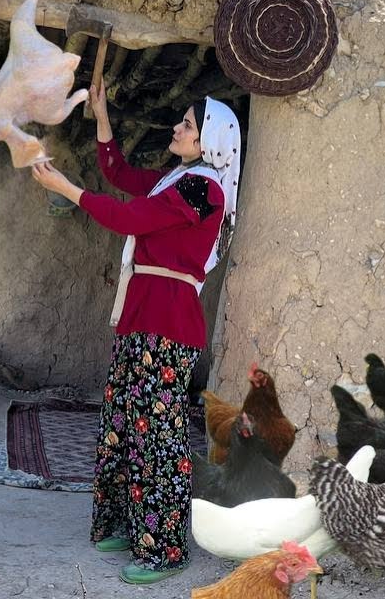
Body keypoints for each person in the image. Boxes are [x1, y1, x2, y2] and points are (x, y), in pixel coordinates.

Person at [31, 84, 241, 584]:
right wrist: (102, 117)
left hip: (168, 323)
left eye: (187, 124)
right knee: (125, 423)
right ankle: (126, 524)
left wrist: (66, 190)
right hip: (143, 316)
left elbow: (129, 218)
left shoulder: (203, 189)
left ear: (209, 140)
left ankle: (166, 550)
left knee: (158, 438)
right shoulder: (179, 179)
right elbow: (120, 176)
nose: (177, 128)